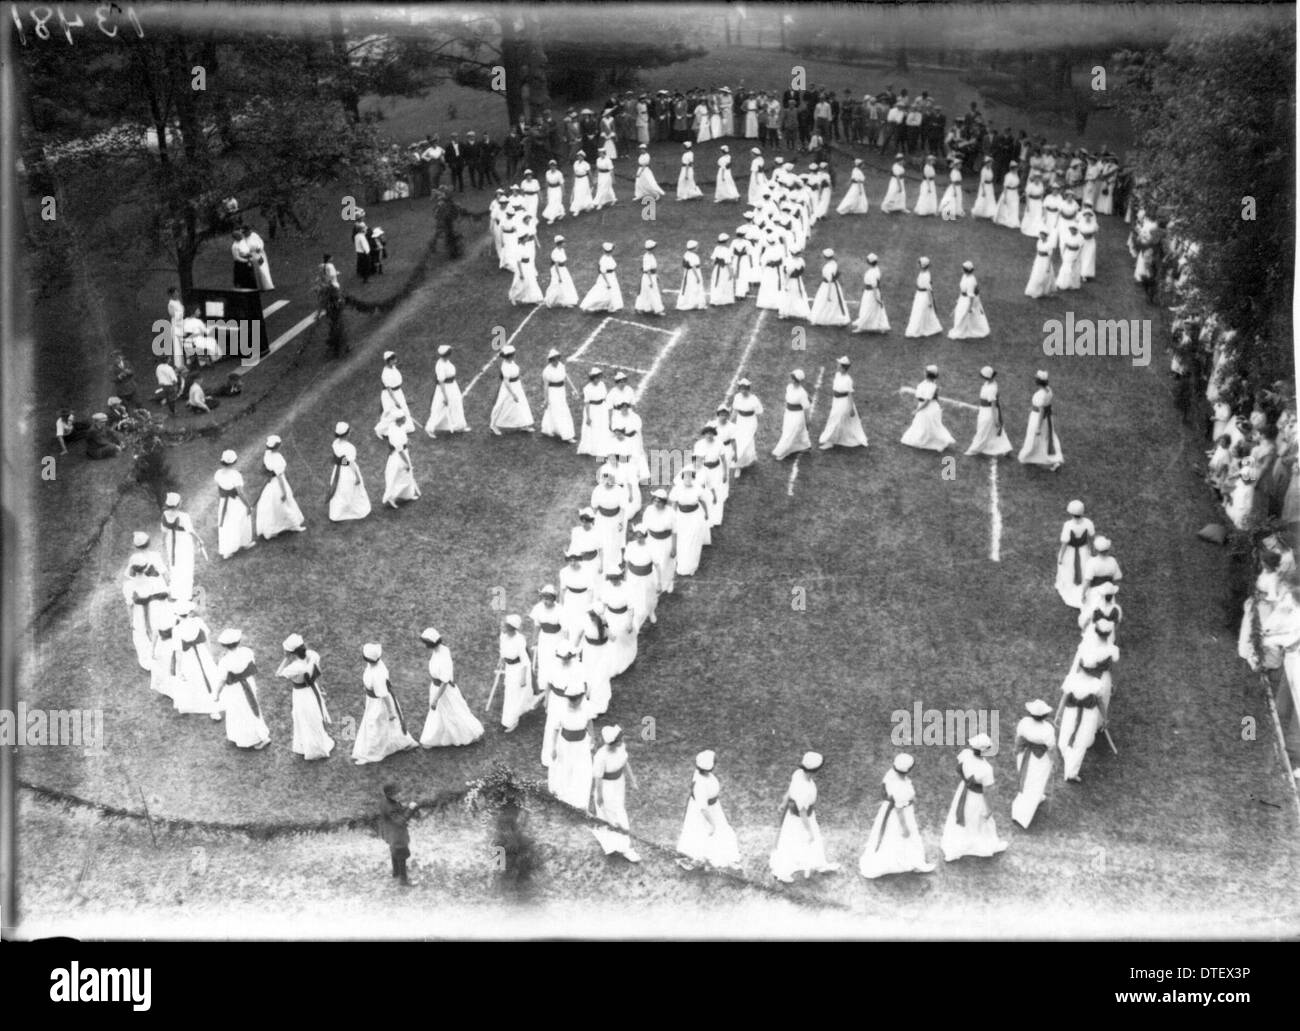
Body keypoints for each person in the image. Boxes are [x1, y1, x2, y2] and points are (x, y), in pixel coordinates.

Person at [859, 753, 936, 878]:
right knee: (902, 836)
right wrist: (905, 828)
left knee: (888, 835)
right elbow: (899, 810)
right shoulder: (901, 787)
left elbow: (884, 791)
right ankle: (911, 861)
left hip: (888, 809)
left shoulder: (890, 774)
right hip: (900, 815)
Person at [771, 751, 839, 883]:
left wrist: (783, 802)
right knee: (795, 842)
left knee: (810, 842)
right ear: (813, 771)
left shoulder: (797, 774)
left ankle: (819, 864)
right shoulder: (804, 789)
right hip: (800, 820)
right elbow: (802, 812)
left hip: (802, 817)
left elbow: (789, 791)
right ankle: (782, 872)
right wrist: (809, 831)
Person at [940, 733, 1008, 861]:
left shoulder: (965, 755)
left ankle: (956, 846)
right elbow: (987, 792)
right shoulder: (986, 769)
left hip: (964, 790)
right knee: (979, 821)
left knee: (963, 817)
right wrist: (989, 809)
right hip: (976, 798)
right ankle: (985, 844)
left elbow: (959, 767)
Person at [353, 642, 419, 764]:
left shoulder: (376, 674)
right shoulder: (376, 665)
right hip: (374, 701)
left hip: (379, 704)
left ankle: (373, 752)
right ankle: (403, 742)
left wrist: (391, 712)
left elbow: (384, 695)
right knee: (384, 725)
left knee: (377, 725)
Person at [676, 750, 742, 871]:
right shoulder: (700, 784)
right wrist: (712, 824)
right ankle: (695, 857)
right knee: (702, 833)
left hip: (714, 807)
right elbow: (703, 808)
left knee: (721, 830)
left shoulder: (703, 775)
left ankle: (726, 856)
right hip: (703, 813)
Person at [418, 628, 484, 748]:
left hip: (443, 691)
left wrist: (436, 699)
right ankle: (433, 737)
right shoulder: (441, 650)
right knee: (439, 713)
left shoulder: (442, 657)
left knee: (454, 712)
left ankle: (469, 734)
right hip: (436, 687)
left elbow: (445, 682)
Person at [276, 633, 334, 761]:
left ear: (291, 652)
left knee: (304, 719)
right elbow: (317, 672)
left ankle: (312, 747)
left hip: (301, 695)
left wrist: (285, 658)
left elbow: (278, 674)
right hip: (313, 690)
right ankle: (319, 742)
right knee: (314, 716)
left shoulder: (294, 667)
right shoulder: (314, 655)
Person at [214, 628, 271, 750]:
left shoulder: (224, 661)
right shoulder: (247, 652)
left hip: (236, 689)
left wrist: (216, 694)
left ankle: (257, 738)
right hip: (249, 683)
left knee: (241, 711)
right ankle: (252, 735)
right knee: (250, 707)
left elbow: (222, 680)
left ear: (224, 646)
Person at [547, 679, 594, 810]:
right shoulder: (561, 710)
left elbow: (590, 723)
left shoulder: (586, 708)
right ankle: (564, 794)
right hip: (565, 745)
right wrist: (553, 747)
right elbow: (556, 729)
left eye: (576, 699)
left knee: (580, 770)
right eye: (571, 699)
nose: (574, 702)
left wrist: (593, 738)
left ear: (581, 697)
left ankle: (578, 798)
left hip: (581, 746)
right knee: (565, 768)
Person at [171, 599, 223, 717]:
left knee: (194, 678)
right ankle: (213, 707)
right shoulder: (198, 621)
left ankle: (204, 704)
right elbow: (207, 639)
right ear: (189, 612)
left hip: (189, 657)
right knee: (209, 675)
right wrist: (210, 654)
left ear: (177, 615)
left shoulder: (176, 630)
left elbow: (178, 653)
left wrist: (178, 670)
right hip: (202, 652)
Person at [1010, 699, 1056, 829]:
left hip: (1023, 755)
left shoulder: (1024, 722)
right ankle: (1023, 816)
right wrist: (1055, 762)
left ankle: (1035, 799)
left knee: (1026, 780)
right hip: (1039, 759)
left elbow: (1018, 738)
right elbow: (1052, 749)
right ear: (1045, 715)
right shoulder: (1048, 729)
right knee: (1036, 782)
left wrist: (1016, 749)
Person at [1057, 666, 1106, 782]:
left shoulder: (1072, 679)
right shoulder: (1097, 684)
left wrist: (1058, 714)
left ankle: (1071, 770)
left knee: (1070, 738)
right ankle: (1071, 769)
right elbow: (1100, 703)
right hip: (1086, 715)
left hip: (1076, 713)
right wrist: (1105, 718)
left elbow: (1064, 699)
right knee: (1080, 742)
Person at [256, 435, 306, 538]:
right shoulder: (277, 458)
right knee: (285, 504)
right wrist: (283, 492)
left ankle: (274, 527)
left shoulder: (267, 454)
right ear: (278, 446)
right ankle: (294, 525)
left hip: (270, 484)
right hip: (278, 483)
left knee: (272, 506)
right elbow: (279, 476)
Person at [499, 613, 540, 733]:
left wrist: (522, 678)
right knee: (509, 693)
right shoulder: (503, 636)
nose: (501, 626)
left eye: (504, 625)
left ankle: (512, 720)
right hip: (509, 668)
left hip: (519, 670)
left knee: (515, 696)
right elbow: (502, 649)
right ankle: (509, 719)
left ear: (511, 627)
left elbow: (525, 661)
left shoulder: (519, 640)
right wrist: (502, 660)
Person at [900, 365, 956, 452]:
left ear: (926, 374)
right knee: (924, 424)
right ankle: (925, 439)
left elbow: (927, 402)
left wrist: (917, 410)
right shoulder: (930, 384)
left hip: (928, 408)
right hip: (929, 407)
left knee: (928, 425)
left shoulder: (931, 386)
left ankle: (929, 441)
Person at [819, 356, 868, 450]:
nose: (837, 366)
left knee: (834, 420)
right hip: (836, 401)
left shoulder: (848, 380)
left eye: (839, 365)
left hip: (843, 402)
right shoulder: (837, 374)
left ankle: (829, 441)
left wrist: (851, 408)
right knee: (836, 420)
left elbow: (849, 394)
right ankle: (833, 440)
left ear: (842, 367)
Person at [668, 466, 710, 576]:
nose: (688, 478)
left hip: (695, 517)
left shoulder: (697, 488)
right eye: (686, 476)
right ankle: (681, 564)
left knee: (693, 541)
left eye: (690, 476)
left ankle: (691, 565)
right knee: (682, 541)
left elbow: (703, 501)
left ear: (693, 477)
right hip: (681, 517)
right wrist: (673, 517)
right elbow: (674, 504)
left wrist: (706, 513)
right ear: (682, 477)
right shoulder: (677, 489)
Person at [1017, 371, 1063, 471]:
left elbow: (1041, 411)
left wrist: (1038, 427)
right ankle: (1035, 456)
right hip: (1046, 418)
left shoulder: (1040, 394)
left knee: (1035, 437)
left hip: (1038, 418)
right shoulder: (1049, 390)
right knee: (1045, 438)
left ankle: (1047, 460)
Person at [214, 450, 255, 558]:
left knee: (227, 523)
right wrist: (248, 505)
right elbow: (240, 492)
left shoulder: (218, 473)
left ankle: (228, 550)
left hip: (224, 501)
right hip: (235, 501)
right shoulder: (235, 475)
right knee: (242, 519)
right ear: (234, 462)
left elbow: (219, 487)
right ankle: (244, 542)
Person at [328, 422, 371, 522]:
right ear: (347, 434)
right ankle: (355, 509)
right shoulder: (350, 447)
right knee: (352, 489)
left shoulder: (335, 443)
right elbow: (350, 463)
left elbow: (339, 458)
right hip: (347, 471)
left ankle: (338, 511)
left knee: (340, 490)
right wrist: (357, 476)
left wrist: (341, 461)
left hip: (338, 469)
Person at [1055, 499, 1095, 608]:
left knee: (1068, 569)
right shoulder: (1088, 523)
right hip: (1084, 550)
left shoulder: (1068, 525)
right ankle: (1083, 586)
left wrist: (1061, 557)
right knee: (1084, 568)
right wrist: (1091, 551)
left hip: (1070, 551)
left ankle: (1070, 586)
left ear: (1071, 513)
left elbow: (1064, 543)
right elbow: (1091, 538)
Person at [965, 366, 1012, 457]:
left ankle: (974, 450)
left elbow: (993, 406)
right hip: (984, 410)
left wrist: (995, 420)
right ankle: (1006, 448)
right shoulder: (989, 383)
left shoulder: (992, 388)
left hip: (988, 412)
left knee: (983, 430)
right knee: (994, 431)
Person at [489, 344, 535, 436]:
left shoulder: (511, 362)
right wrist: (513, 394)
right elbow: (506, 382)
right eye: (513, 354)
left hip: (517, 385)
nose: (514, 355)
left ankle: (524, 424)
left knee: (521, 404)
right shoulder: (505, 366)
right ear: (510, 355)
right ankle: (493, 425)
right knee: (501, 405)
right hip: (509, 388)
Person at [378, 783, 419, 887]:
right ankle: (403, 881)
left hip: (389, 832)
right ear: (390, 794)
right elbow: (400, 821)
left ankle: (396, 873)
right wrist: (410, 809)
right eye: (396, 793)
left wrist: (404, 808)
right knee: (401, 854)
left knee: (394, 851)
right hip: (397, 834)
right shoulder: (390, 807)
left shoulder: (385, 801)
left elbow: (397, 811)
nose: (399, 795)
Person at [425, 345, 469, 437]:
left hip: (453, 386)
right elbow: (441, 382)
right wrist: (445, 396)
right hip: (444, 389)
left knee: (457, 404)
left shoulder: (446, 361)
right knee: (439, 408)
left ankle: (460, 426)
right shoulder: (440, 365)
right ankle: (430, 428)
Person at [947, 260, 990, 340]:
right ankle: (962, 328)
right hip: (963, 299)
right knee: (960, 314)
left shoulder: (971, 280)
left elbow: (971, 296)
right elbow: (962, 289)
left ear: (965, 269)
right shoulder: (964, 276)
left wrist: (970, 308)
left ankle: (965, 329)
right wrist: (958, 299)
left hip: (968, 301)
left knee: (965, 315)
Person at [382, 423, 420, 508]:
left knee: (407, 476)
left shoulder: (397, 427)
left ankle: (408, 495)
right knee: (403, 477)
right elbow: (400, 451)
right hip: (399, 458)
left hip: (402, 454)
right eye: (403, 417)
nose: (405, 419)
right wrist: (407, 463)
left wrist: (407, 441)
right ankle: (392, 497)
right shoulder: (394, 432)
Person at [809, 248, 850, 326]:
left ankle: (821, 319)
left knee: (823, 302)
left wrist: (828, 294)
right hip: (834, 285)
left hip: (828, 287)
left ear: (825, 257)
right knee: (834, 304)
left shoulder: (828, 267)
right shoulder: (834, 263)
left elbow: (830, 281)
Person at [904, 257, 943, 338]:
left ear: (922, 266)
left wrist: (930, 301)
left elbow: (928, 290)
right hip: (919, 294)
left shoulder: (926, 275)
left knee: (920, 311)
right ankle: (925, 327)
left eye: (919, 264)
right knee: (918, 311)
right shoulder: (923, 273)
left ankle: (916, 330)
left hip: (923, 296)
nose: (917, 265)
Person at [851, 254, 890, 334]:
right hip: (872, 292)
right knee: (876, 309)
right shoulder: (876, 270)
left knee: (867, 309)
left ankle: (862, 327)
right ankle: (881, 327)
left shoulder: (872, 272)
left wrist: (876, 297)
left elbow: (874, 286)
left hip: (871, 294)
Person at [731, 378, 764, 471]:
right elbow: (735, 410)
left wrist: (757, 426)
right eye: (741, 388)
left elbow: (759, 412)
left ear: (748, 389)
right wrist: (730, 421)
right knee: (740, 442)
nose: (743, 390)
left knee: (747, 441)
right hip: (740, 421)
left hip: (750, 422)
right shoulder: (737, 397)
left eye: (745, 388)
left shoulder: (754, 399)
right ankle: (739, 465)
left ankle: (748, 459)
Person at [580, 242, 623, 313]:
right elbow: (603, 272)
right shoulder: (603, 259)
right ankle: (589, 305)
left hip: (612, 276)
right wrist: (607, 282)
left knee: (613, 291)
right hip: (606, 277)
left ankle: (611, 306)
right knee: (601, 292)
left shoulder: (610, 257)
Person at [543, 235, 580, 310]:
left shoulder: (562, 250)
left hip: (563, 269)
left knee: (567, 284)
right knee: (556, 285)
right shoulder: (555, 252)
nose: (565, 244)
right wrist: (559, 276)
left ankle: (568, 302)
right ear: (560, 243)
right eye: (563, 242)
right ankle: (549, 301)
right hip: (558, 270)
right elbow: (556, 266)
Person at [635, 239, 666, 316]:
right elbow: (648, 270)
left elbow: (653, 268)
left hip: (651, 276)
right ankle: (657, 310)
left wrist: (656, 275)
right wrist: (651, 281)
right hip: (648, 278)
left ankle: (641, 308)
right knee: (653, 293)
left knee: (645, 293)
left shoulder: (651, 255)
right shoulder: (647, 257)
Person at [1024, 230, 1057, 299]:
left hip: (1045, 261)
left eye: (1043, 235)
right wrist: (1035, 261)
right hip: (1039, 260)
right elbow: (1038, 251)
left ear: (1046, 236)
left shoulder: (1050, 244)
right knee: (1035, 274)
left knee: (1042, 276)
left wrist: (1048, 266)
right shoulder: (1039, 242)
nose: (1041, 236)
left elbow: (1050, 256)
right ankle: (1033, 290)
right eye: (1040, 235)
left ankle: (1041, 291)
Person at [676, 240, 708, 311]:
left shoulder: (686, 254)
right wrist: (697, 277)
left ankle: (690, 302)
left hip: (688, 273)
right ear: (694, 248)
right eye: (697, 247)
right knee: (696, 287)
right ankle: (696, 303)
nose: (698, 248)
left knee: (689, 287)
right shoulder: (694, 256)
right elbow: (693, 267)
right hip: (694, 273)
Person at [709, 233, 737, 307]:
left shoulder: (716, 248)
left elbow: (713, 261)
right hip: (724, 270)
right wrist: (731, 273)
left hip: (717, 269)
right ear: (726, 241)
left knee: (716, 283)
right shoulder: (727, 251)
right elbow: (728, 263)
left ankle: (715, 300)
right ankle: (725, 300)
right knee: (725, 283)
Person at [993, 162, 1021, 229]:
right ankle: (1006, 219)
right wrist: (1005, 197)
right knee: (1008, 206)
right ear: (1013, 168)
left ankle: (1013, 220)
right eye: (1016, 168)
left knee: (1014, 206)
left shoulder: (1016, 175)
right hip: (1009, 192)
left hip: (1014, 193)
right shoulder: (1008, 176)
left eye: (1017, 168)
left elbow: (1017, 184)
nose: (1017, 169)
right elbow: (1005, 187)